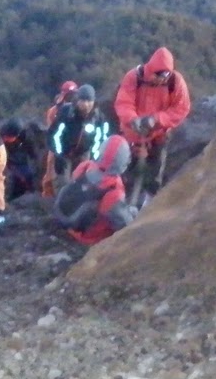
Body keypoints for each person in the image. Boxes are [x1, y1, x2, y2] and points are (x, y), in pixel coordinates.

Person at [112, 46, 191, 207]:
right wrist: (133, 120)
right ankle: (119, 204)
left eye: (166, 74)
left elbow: (181, 108)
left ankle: (148, 206)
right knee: (126, 172)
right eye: (159, 74)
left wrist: (157, 119)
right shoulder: (134, 77)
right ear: (152, 70)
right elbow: (123, 102)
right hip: (133, 135)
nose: (163, 78)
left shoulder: (175, 82)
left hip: (158, 136)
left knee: (154, 175)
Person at [50, 134, 138, 245]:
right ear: (123, 161)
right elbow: (124, 224)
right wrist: (133, 212)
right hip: (89, 238)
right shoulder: (113, 192)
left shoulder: (85, 166)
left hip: (71, 225)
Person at [47, 83, 110, 188]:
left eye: (89, 101)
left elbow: (102, 139)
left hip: (85, 153)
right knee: (63, 184)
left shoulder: (98, 118)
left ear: (94, 101)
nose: (86, 105)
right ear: (77, 101)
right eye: (83, 101)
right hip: (64, 153)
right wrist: (58, 154)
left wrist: (95, 158)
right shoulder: (66, 113)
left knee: (84, 183)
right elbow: (53, 134)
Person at [39, 80, 81, 196]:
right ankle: (48, 196)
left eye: (73, 94)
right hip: (58, 144)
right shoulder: (55, 111)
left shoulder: (79, 108)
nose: (72, 97)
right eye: (69, 94)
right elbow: (52, 129)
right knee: (51, 170)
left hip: (75, 144)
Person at [0, 117, 44, 200]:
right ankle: (11, 197)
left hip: (21, 158)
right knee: (13, 178)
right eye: (7, 137)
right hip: (7, 158)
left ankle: (27, 193)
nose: (8, 139)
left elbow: (32, 151)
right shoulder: (2, 134)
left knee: (28, 176)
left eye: (11, 137)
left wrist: (36, 162)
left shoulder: (25, 136)